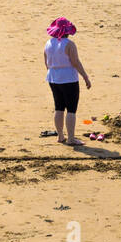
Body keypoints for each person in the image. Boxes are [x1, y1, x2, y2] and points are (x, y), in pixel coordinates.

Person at [44, 17, 91, 146]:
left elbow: (46, 63)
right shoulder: (69, 44)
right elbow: (75, 62)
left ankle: (60, 136)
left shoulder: (48, 43)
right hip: (69, 78)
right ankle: (71, 138)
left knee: (58, 107)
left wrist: (54, 73)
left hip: (53, 77)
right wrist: (85, 77)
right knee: (71, 109)